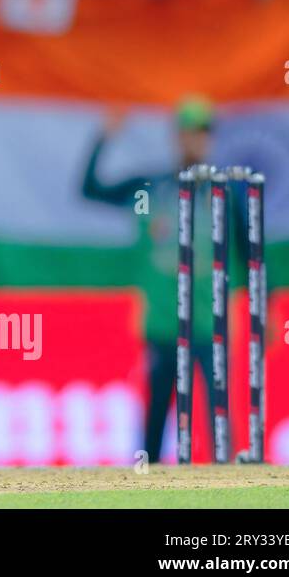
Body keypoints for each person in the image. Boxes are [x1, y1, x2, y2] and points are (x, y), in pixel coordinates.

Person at [80, 97, 241, 462]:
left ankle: (232, 495)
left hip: (210, 326)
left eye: (201, 134)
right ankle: (149, 493)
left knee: (219, 421)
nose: (193, 142)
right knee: (154, 425)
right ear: (175, 137)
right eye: (187, 133)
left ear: (209, 140)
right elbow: (90, 189)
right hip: (164, 325)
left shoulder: (226, 193)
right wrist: (103, 138)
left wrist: (268, 308)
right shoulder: (148, 191)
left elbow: (253, 253)